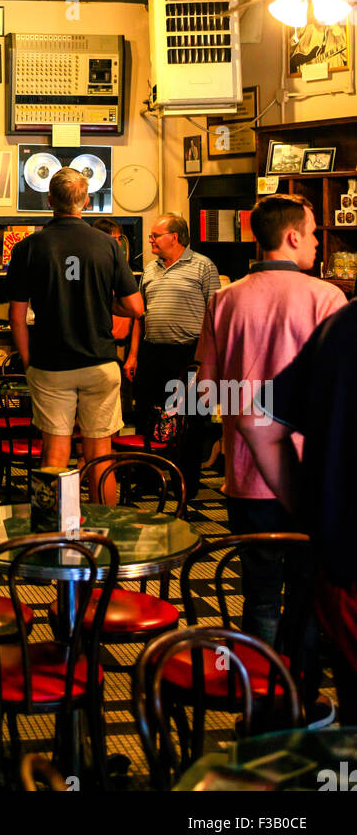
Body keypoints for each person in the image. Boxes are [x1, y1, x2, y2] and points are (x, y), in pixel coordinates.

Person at [195, 195, 346, 654]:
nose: (318, 243)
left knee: (258, 590)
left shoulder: (225, 298)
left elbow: (206, 388)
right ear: (292, 235)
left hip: (244, 472)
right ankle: (297, 694)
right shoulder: (328, 298)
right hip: (309, 472)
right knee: (306, 595)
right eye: (315, 232)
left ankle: (258, 690)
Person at [237, 300, 357, 723]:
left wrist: (313, 512)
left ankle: (280, 702)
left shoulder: (344, 325)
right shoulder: (331, 306)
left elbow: (254, 420)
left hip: (343, 564)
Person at [7, 168, 144, 503]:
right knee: (101, 454)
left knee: (54, 454)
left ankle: (53, 536)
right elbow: (136, 308)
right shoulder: (108, 245)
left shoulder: (27, 247)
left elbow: (16, 316)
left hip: (51, 364)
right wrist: (102, 300)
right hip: (100, 362)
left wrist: (28, 361)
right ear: (85, 201)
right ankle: (105, 538)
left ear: (50, 199)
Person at [134, 214, 219, 494]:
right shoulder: (150, 269)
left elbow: (215, 315)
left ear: (176, 237)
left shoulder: (203, 266)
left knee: (189, 420)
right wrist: (133, 355)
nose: (151, 240)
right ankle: (147, 479)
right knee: (147, 417)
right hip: (152, 352)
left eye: (156, 235)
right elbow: (140, 316)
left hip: (188, 355)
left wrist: (208, 359)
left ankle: (186, 483)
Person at [90, 219, 140, 421]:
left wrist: (132, 355)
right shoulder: (93, 268)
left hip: (122, 347)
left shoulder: (123, 270)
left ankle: (113, 450)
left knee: (119, 410)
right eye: (113, 239)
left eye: (120, 239)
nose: (117, 244)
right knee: (95, 410)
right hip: (98, 349)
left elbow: (137, 315)